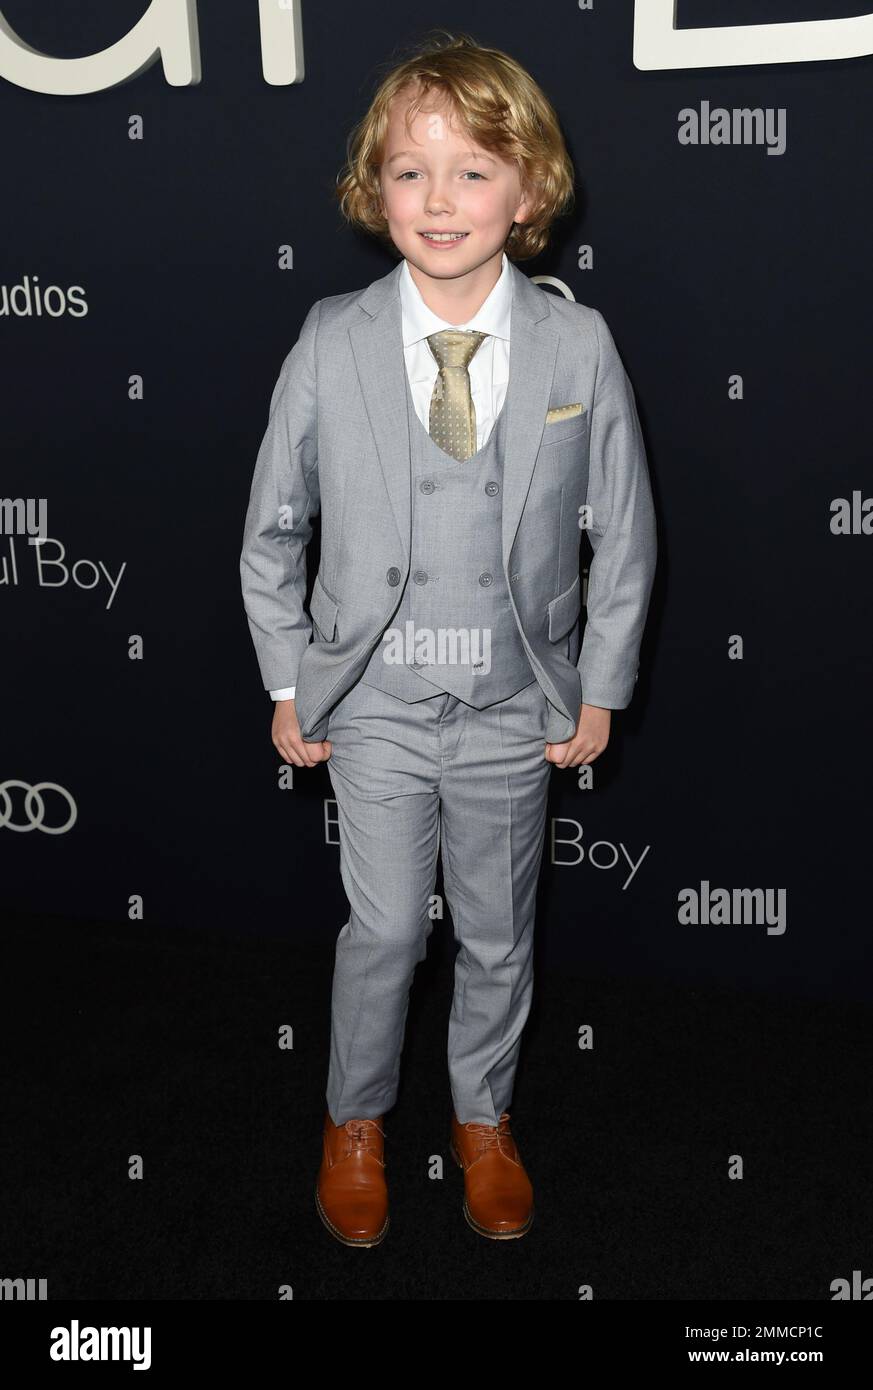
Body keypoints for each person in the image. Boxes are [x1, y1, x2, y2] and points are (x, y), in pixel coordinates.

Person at [240, 31, 657, 1246]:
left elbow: (622, 533)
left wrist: (602, 687)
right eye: (411, 172)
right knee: (380, 927)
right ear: (374, 190)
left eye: (475, 171)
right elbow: (275, 526)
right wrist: (287, 676)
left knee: (495, 928)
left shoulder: (579, 346)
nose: (441, 200)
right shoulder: (331, 339)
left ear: (528, 193)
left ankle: (483, 1116)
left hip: (515, 697)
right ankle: (355, 1120)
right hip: (368, 696)